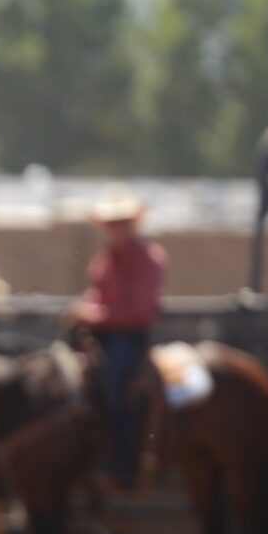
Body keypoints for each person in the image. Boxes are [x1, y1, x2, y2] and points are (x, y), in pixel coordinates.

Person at [68, 183, 165, 489]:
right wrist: (83, 310)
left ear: (132, 223)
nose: (115, 229)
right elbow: (97, 294)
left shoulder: (149, 257)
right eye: (111, 223)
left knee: (114, 381)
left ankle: (125, 461)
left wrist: (93, 314)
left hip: (129, 335)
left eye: (121, 222)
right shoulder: (105, 260)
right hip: (103, 332)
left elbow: (138, 309)